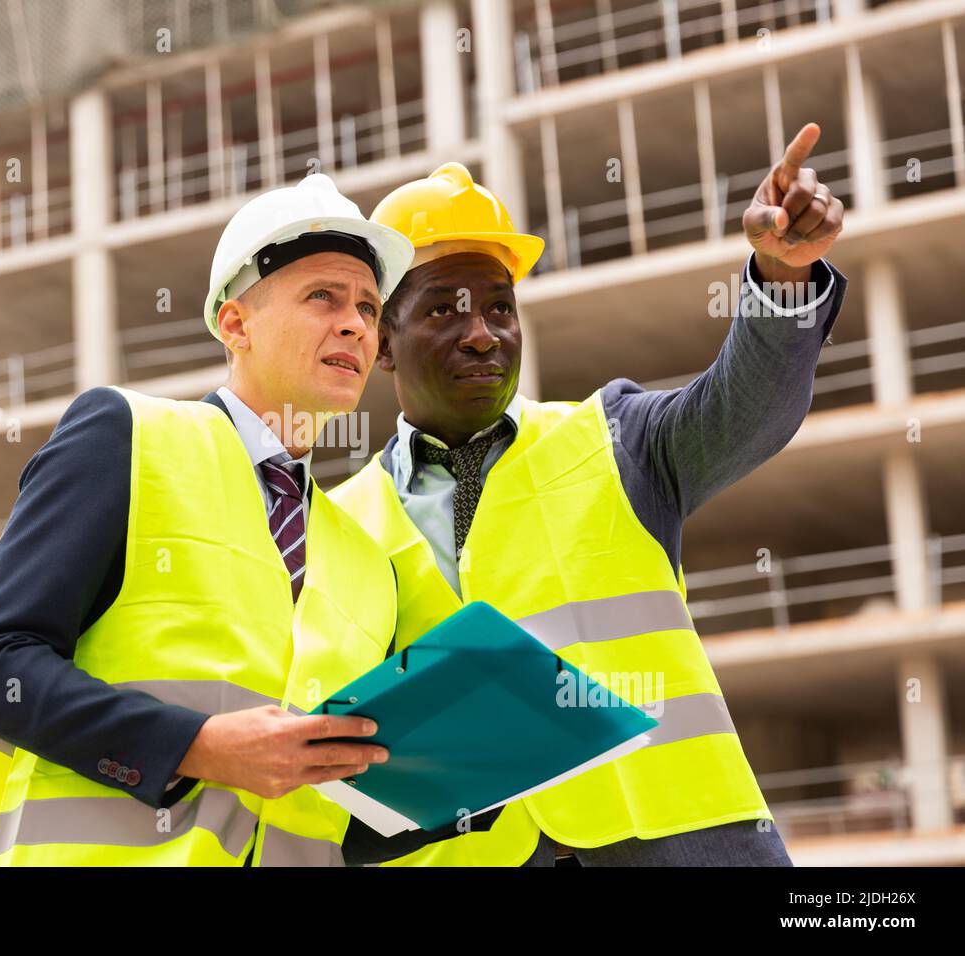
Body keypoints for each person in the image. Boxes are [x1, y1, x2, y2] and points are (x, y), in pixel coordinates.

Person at [329, 124, 846, 866]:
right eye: (445, 310)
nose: (482, 334)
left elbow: (748, 408)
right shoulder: (338, 524)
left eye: (500, 308)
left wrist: (781, 275)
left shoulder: (618, 439)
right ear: (382, 342)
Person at [0, 172, 484, 866]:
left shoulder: (364, 560)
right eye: (324, 296)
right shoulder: (127, 437)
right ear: (236, 324)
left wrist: (470, 787)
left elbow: (335, 809)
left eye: (370, 308)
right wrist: (195, 748)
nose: (355, 323)